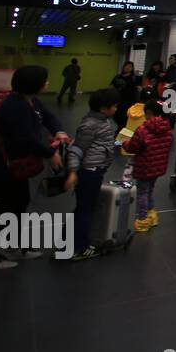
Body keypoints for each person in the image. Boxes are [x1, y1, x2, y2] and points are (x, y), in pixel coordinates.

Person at [0, 66, 71, 268]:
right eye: (44, 80)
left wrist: (59, 131)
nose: (47, 83)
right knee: (5, 209)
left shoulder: (30, 100)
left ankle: (15, 247)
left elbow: (48, 117)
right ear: (33, 84)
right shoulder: (14, 107)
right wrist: (51, 153)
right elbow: (25, 140)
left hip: (14, 166)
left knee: (19, 203)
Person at [63, 86, 120, 262]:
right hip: (89, 173)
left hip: (95, 171)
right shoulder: (90, 124)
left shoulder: (102, 121)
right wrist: (73, 172)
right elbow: (77, 149)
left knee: (83, 209)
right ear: (104, 108)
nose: (116, 108)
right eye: (114, 106)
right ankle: (79, 248)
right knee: (85, 210)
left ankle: (66, 243)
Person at [122, 93, 173, 233]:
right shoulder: (168, 129)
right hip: (158, 166)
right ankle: (152, 215)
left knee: (142, 192)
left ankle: (143, 219)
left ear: (148, 113)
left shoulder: (143, 129)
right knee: (150, 190)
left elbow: (133, 147)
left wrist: (124, 143)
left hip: (144, 166)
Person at [110, 60, 140, 131]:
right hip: (117, 100)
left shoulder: (133, 78)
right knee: (116, 116)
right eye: (126, 66)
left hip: (128, 101)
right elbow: (111, 86)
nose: (128, 68)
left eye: (130, 67)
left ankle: (120, 132)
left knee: (124, 118)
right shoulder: (118, 77)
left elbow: (137, 89)